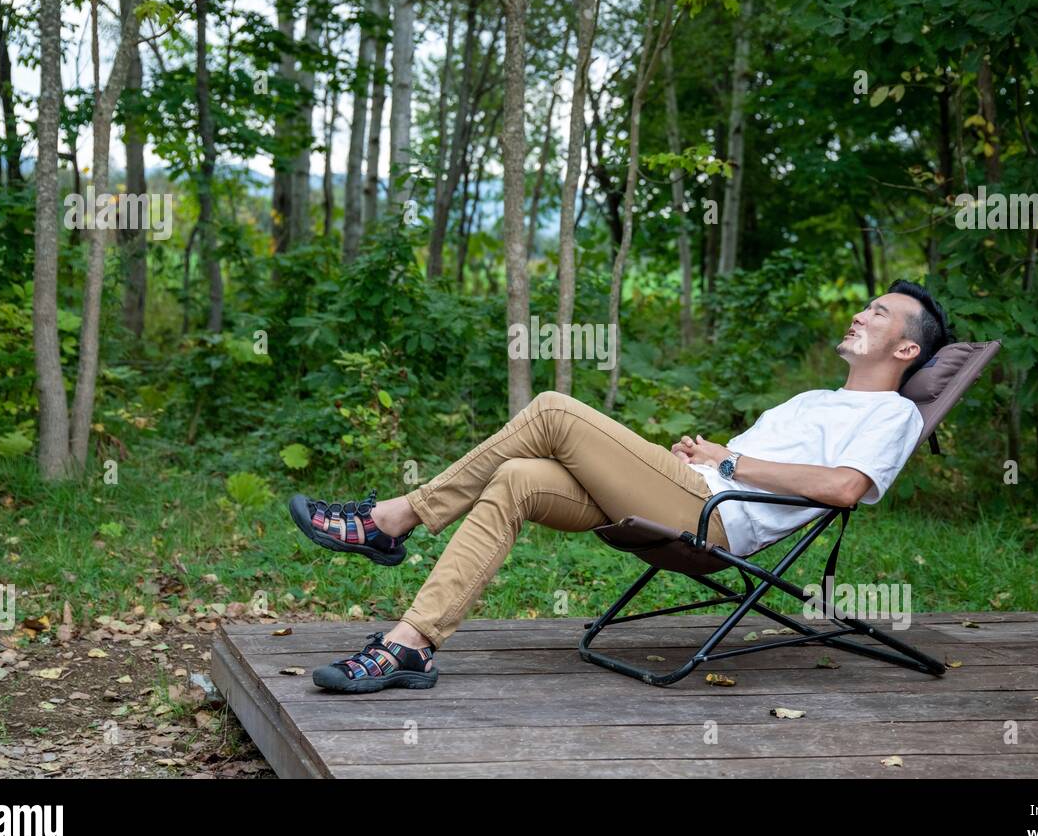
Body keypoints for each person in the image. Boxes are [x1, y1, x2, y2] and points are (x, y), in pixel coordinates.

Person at [287, 278, 954, 692]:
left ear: (906, 351)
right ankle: (411, 645)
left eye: (877, 313)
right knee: (518, 475)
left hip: (713, 521)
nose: (859, 315)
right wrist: (705, 457)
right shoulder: (815, 398)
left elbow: (841, 488)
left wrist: (729, 464)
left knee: (551, 408)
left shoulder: (891, 414)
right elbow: (743, 460)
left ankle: (392, 519)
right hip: (686, 495)